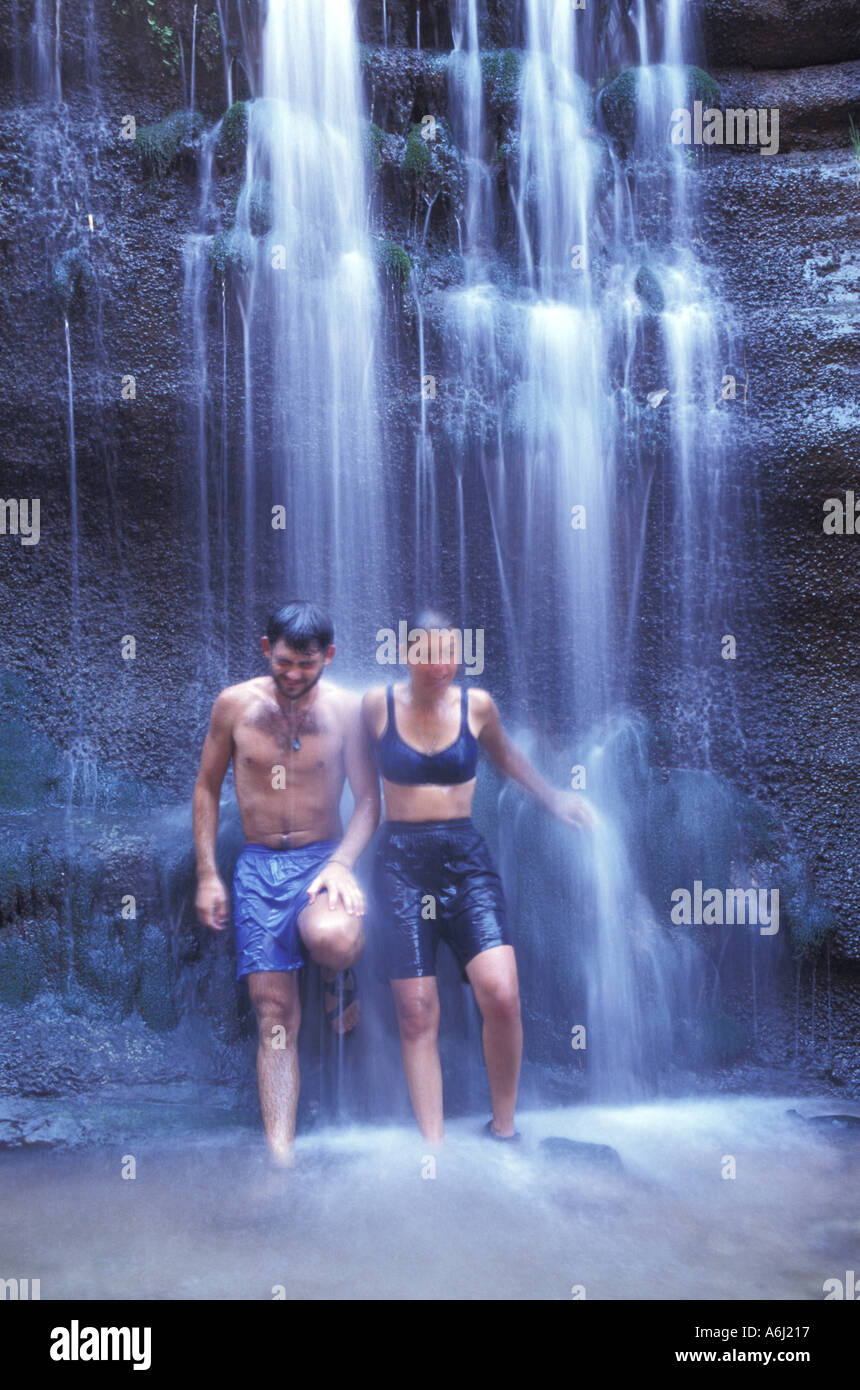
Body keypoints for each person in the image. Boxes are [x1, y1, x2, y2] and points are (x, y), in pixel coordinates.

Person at [362, 608, 592, 1145]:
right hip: (399, 862)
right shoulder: (375, 706)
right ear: (406, 653)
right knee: (417, 1011)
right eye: (428, 651)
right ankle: (434, 1148)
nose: (441, 663)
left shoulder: (477, 706)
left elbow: (507, 756)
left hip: (465, 857)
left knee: (502, 993)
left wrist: (554, 798)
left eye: (450, 651)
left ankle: (504, 1129)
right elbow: (347, 774)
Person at [193, 600, 379, 1167]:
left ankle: (336, 975)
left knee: (335, 939)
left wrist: (344, 862)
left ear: (330, 656)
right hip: (257, 866)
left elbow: (370, 800)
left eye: (306, 664)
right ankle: (281, 1158)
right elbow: (206, 789)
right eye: (282, 663)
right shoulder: (234, 706)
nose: (294, 675)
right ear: (264, 648)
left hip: (323, 859)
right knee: (273, 1012)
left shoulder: (347, 710)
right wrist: (207, 873)